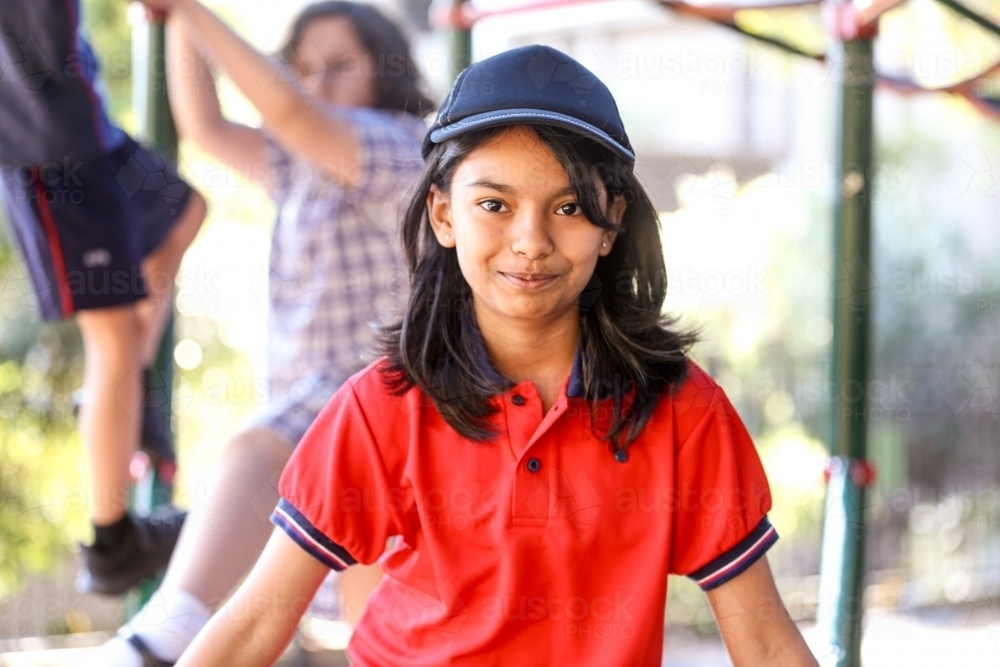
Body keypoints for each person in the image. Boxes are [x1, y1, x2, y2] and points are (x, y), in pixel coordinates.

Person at [172, 44, 820, 667]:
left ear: (612, 221)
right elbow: (257, 620)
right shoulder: (382, 406)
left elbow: (765, 645)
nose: (530, 240)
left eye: (569, 206)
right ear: (443, 214)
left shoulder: (681, 410)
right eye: (494, 204)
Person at [91, 1, 432, 665]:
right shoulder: (298, 163)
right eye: (303, 68)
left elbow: (291, 112)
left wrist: (191, 7)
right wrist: (177, 19)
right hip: (326, 409)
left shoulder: (395, 144)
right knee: (372, 612)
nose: (318, 82)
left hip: (377, 391)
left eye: (339, 66)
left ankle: (165, 633)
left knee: (257, 448)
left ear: (386, 67)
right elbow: (204, 124)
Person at [0, 1, 207, 594]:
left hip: (91, 134)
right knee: (110, 337)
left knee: (184, 209)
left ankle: (123, 395)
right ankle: (112, 542)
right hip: (48, 151)